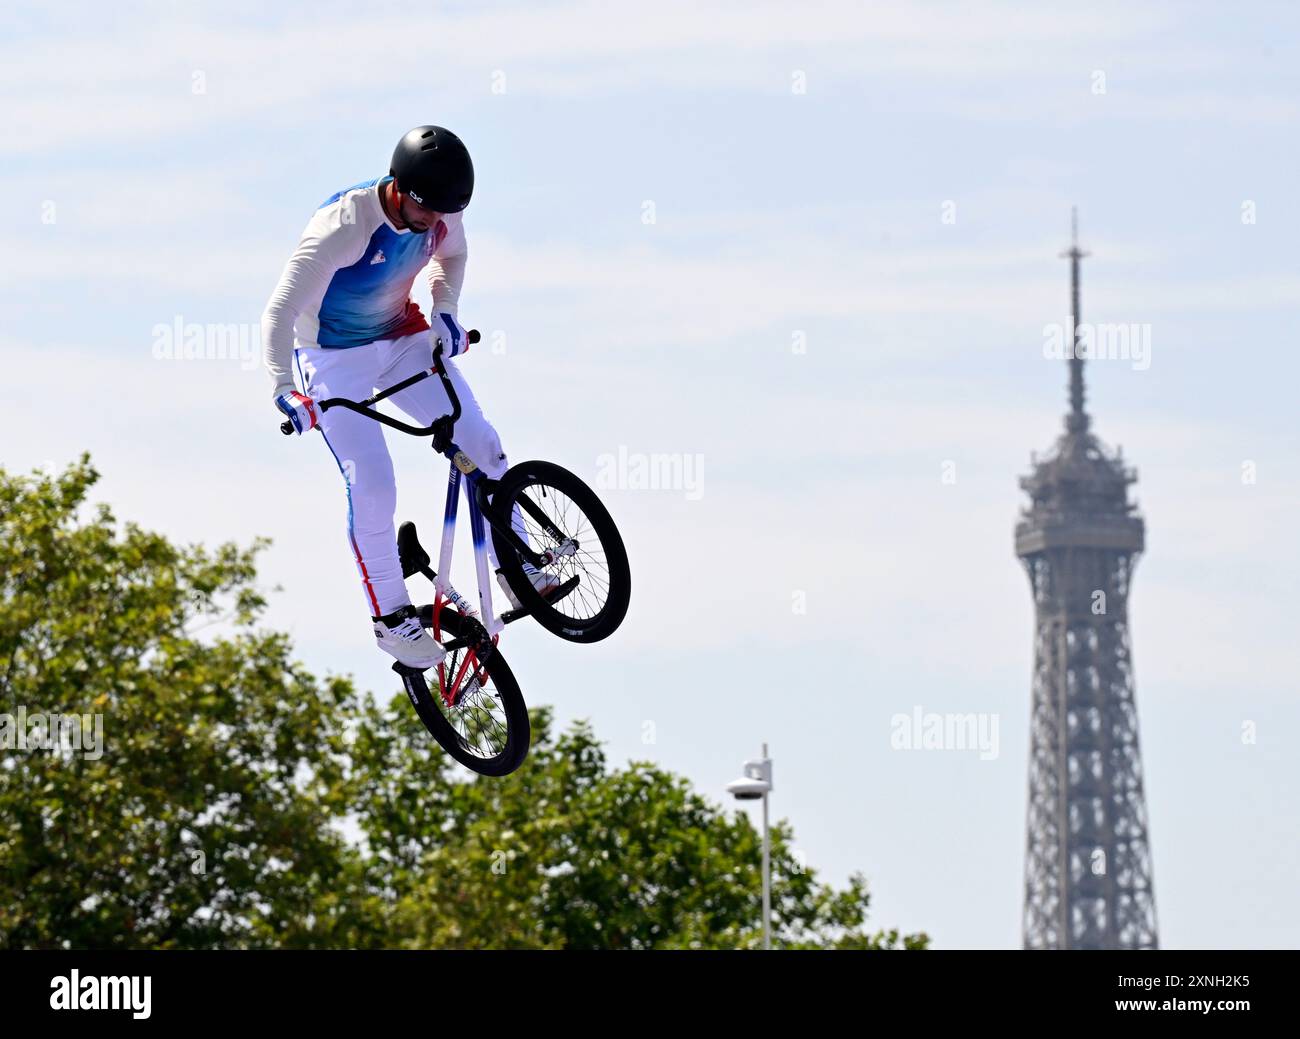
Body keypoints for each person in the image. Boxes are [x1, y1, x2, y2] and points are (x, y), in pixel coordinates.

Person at [261, 125, 558, 669]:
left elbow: (453, 260)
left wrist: (446, 313)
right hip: (330, 356)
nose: (437, 227)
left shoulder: (441, 209)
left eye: (446, 216)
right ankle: (392, 617)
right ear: (400, 189)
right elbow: (278, 312)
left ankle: (517, 568)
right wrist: (285, 390)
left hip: (400, 336)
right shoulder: (343, 228)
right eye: (427, 216)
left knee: (480, 441)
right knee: (373, 482)